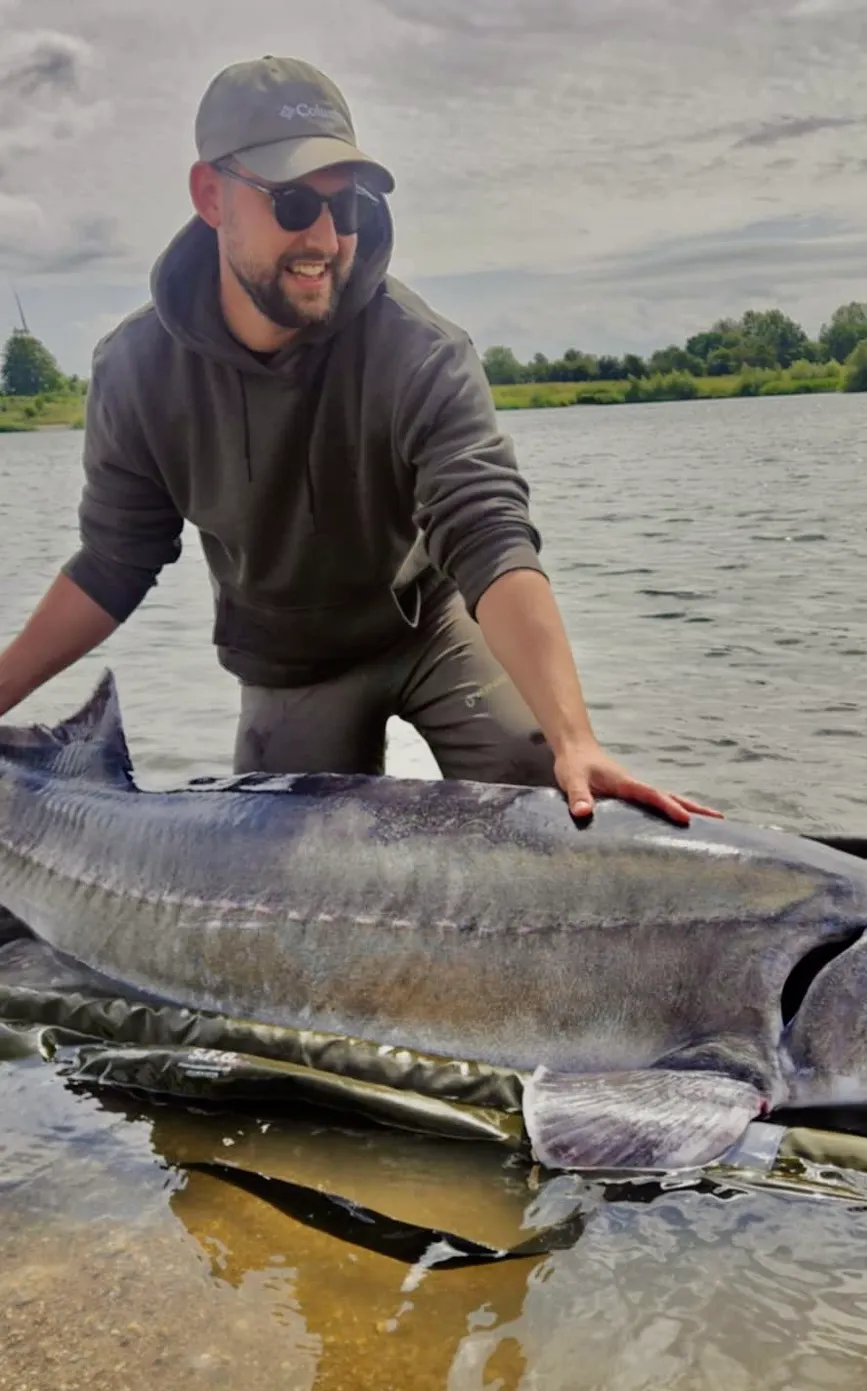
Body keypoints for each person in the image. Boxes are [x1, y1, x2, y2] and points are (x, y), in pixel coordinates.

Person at [0, 55, 718, 828]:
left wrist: (577, 738)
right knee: (270, 882)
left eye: (344, 208)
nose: (323, 236)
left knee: (549, 795)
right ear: (211, 196)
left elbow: (487, 531)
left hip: (432, 628)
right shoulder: (137, 371)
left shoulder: (421, 351)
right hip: (289, 663)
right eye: (294, 201)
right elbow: (114, 562)